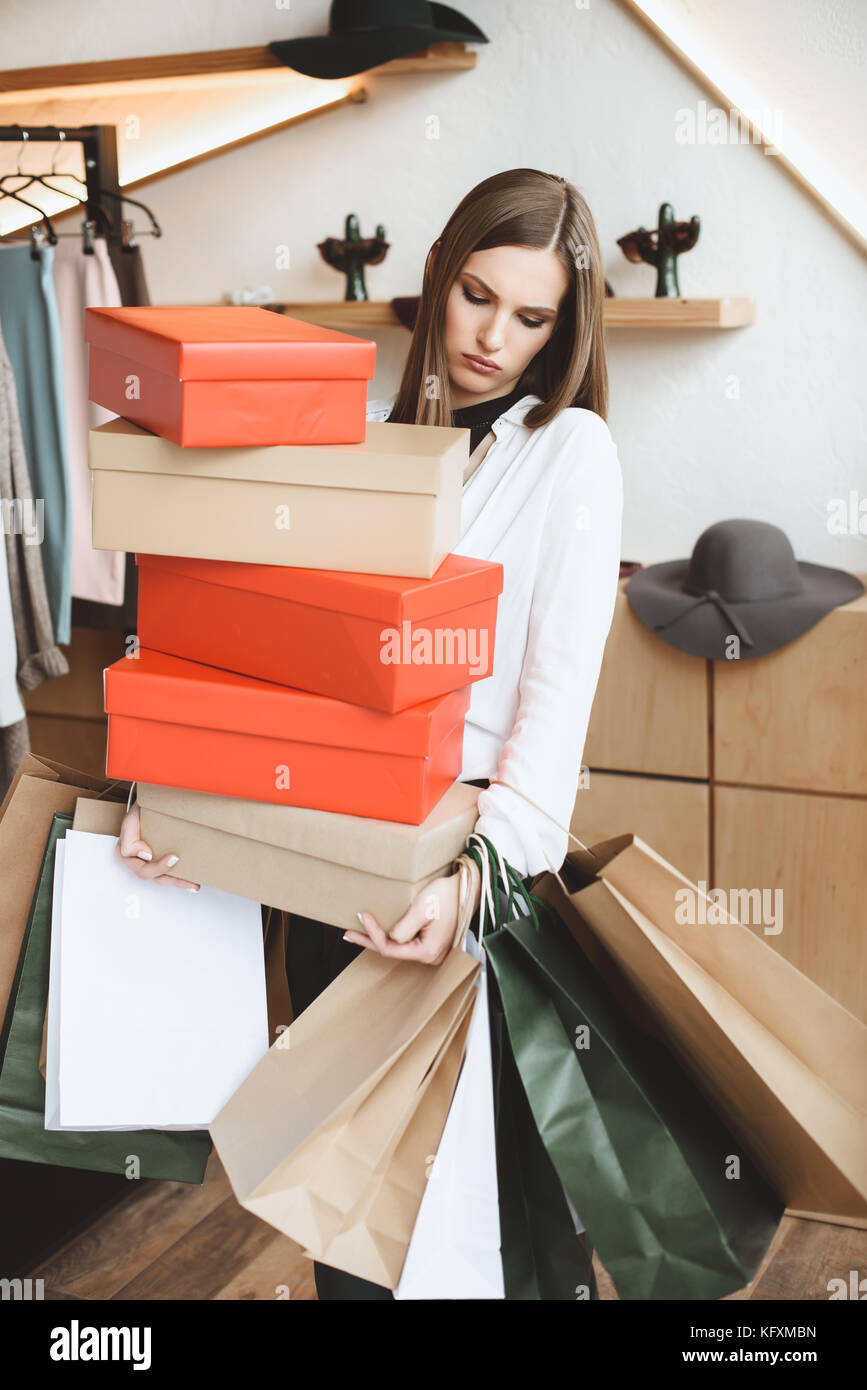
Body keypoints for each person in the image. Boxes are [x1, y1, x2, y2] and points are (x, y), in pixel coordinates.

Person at [116, 167, 624, 1300]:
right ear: (441, 279)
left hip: (458, 895)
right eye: (478, 295)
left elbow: (552, 720)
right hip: (334, 886)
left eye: (531, 316)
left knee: (466, 1245)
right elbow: (288, 682)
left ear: (565, 327)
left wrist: (473, 885)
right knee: (346, 1240)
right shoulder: (374, 446)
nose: (494, 335)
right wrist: (187, 809)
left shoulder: (572, 455)